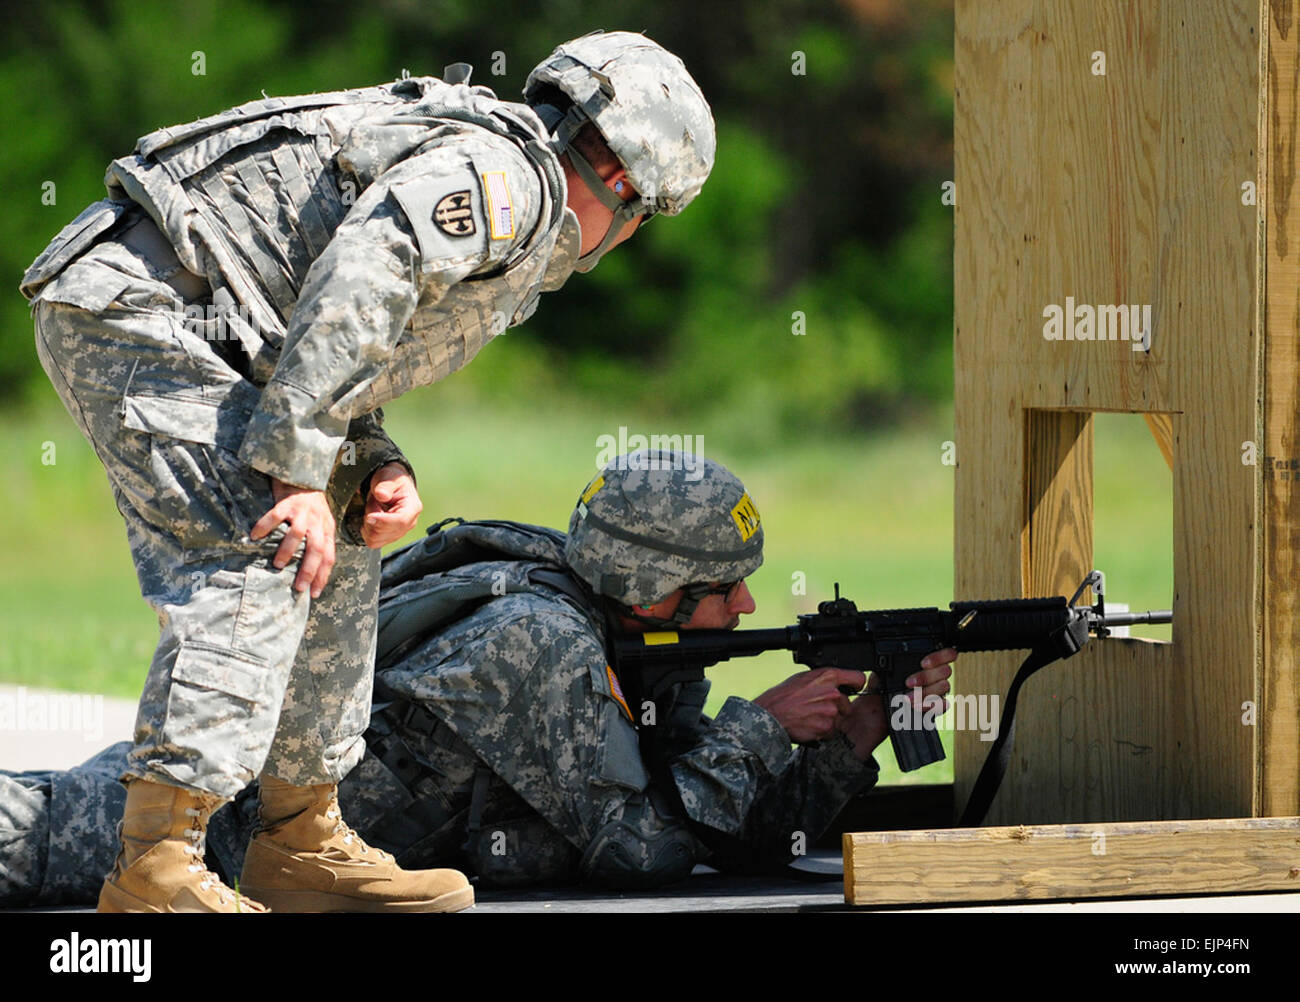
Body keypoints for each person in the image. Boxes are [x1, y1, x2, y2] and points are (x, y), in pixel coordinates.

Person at [15, 30, 716, 913]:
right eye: (643, 217)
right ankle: (157, 865)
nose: (626, 237)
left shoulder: (489, 162)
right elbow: (363, 275)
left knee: (337, 533)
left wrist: (364, 460)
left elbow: (317, 320)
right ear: (622, 184)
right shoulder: (512, 183)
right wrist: (300, 467)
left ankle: (298, 837)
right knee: (262, 547)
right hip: (147, 311)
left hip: (206, 321)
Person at [0, 451, 956, 902]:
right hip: (210, 839)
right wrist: (763, 728)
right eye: (723, 591)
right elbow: (643, 854)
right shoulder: (540, 640)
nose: (744, 612)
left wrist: (860, 730)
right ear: (652, 589)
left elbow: (726, 836)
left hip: (269, 861)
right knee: (24, 841)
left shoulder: (635, 643)